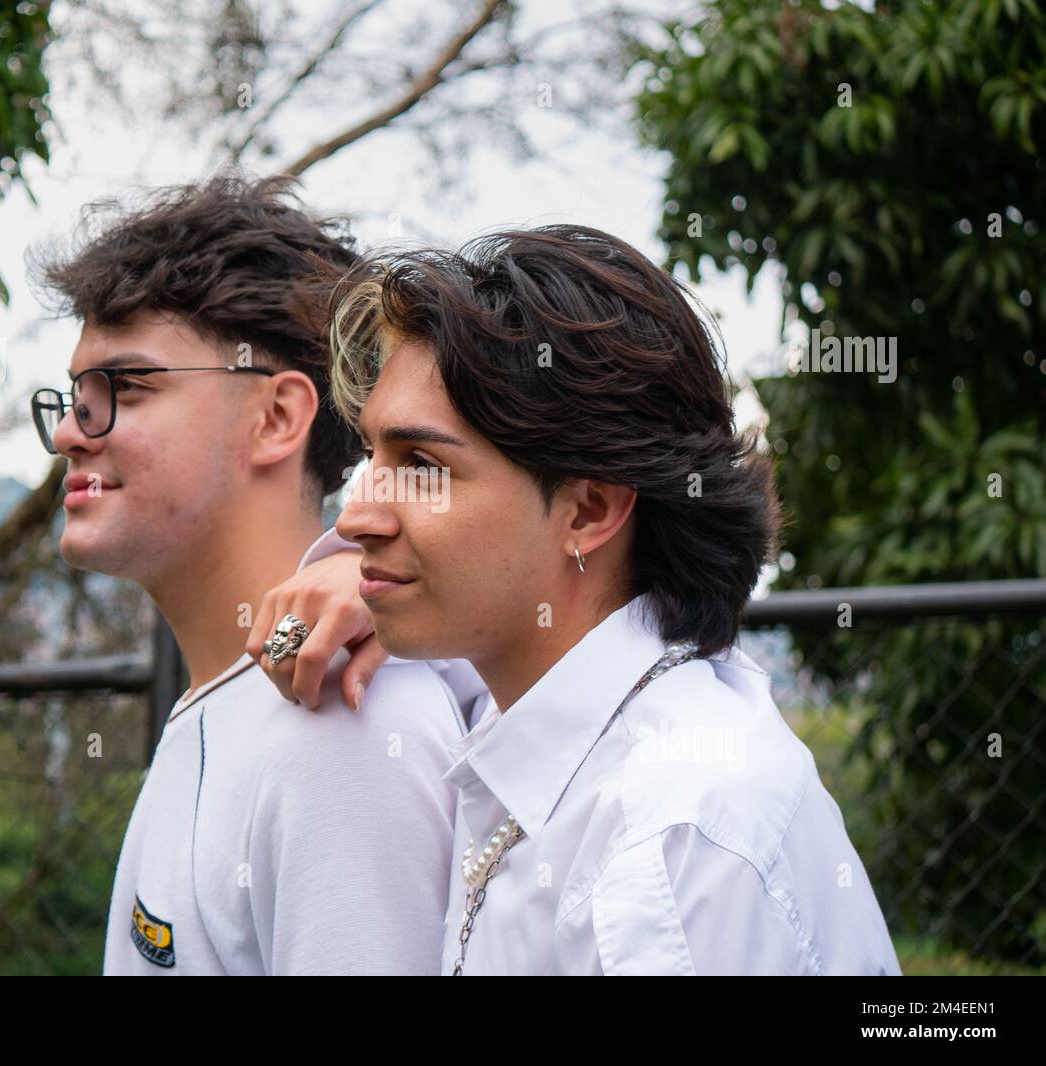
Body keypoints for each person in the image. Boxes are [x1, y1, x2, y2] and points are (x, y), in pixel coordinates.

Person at [250, 225, 903, 975]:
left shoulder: (669, 839)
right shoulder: (543, 716)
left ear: (589, 512)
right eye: (372, 457)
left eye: (422, 465)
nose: (356, 517)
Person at [31, 174, 468, 975]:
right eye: (71, 395)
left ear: (277, 418)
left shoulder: (345, 719)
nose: (68, 433)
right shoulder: (242, 698)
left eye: (122, 388)